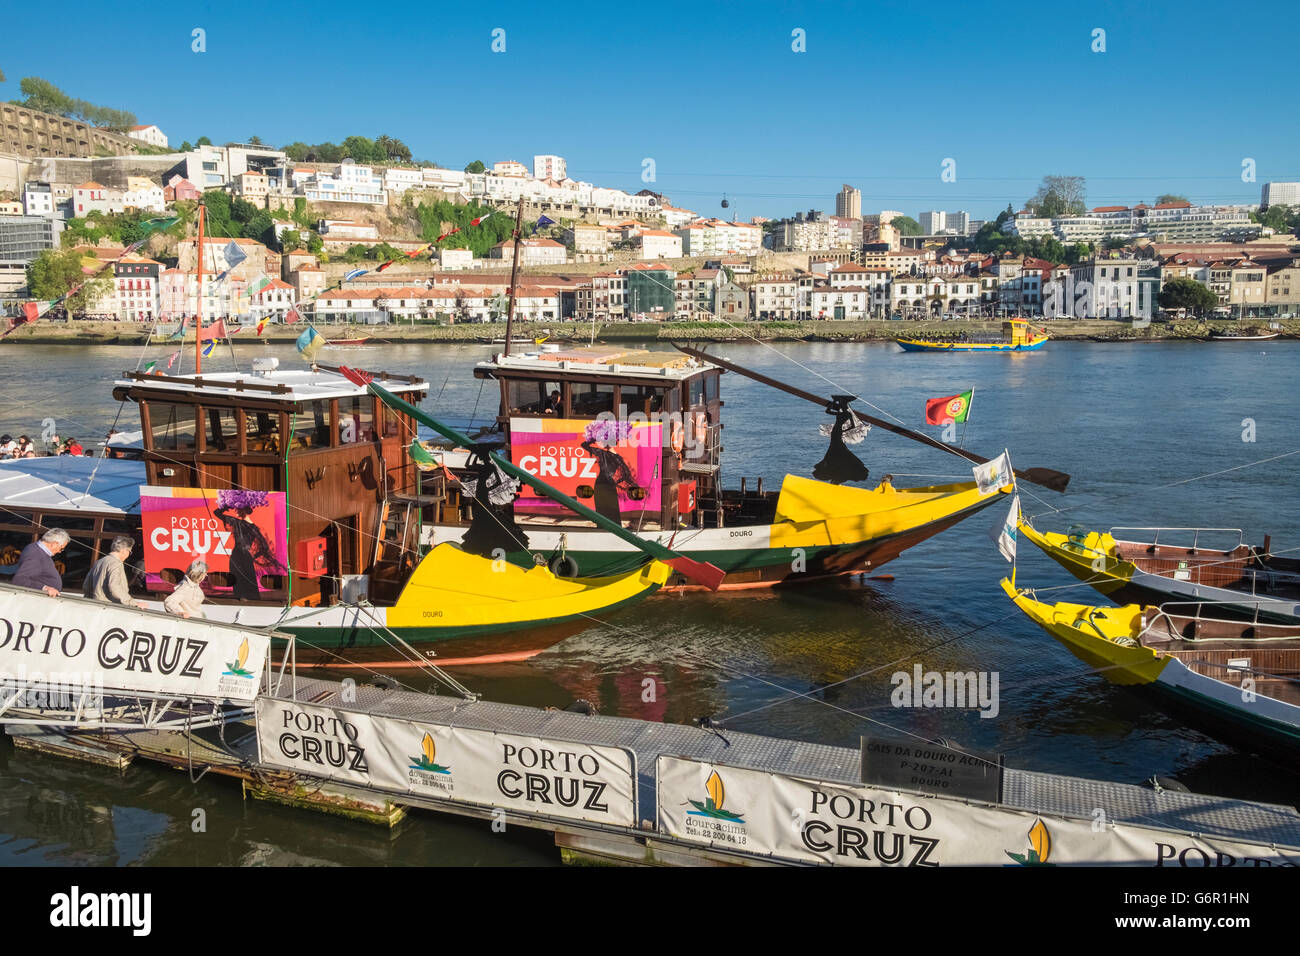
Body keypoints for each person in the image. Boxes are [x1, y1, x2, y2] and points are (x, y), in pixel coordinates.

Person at [83, 535, 146, 608]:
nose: (129, 554)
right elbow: (114, 587)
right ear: (124, 551)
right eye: (130, 551)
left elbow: (86, 585)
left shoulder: (99, 561)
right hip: (109, 608)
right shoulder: (116, 563)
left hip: (95, 606)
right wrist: (133, 603)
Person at [12, 528, 69, 597]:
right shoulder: (35, 553)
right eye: (61, 548)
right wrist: (45, 588)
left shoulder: (39, 551)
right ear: (54, 544)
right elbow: (19, 580)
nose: (60, 552)